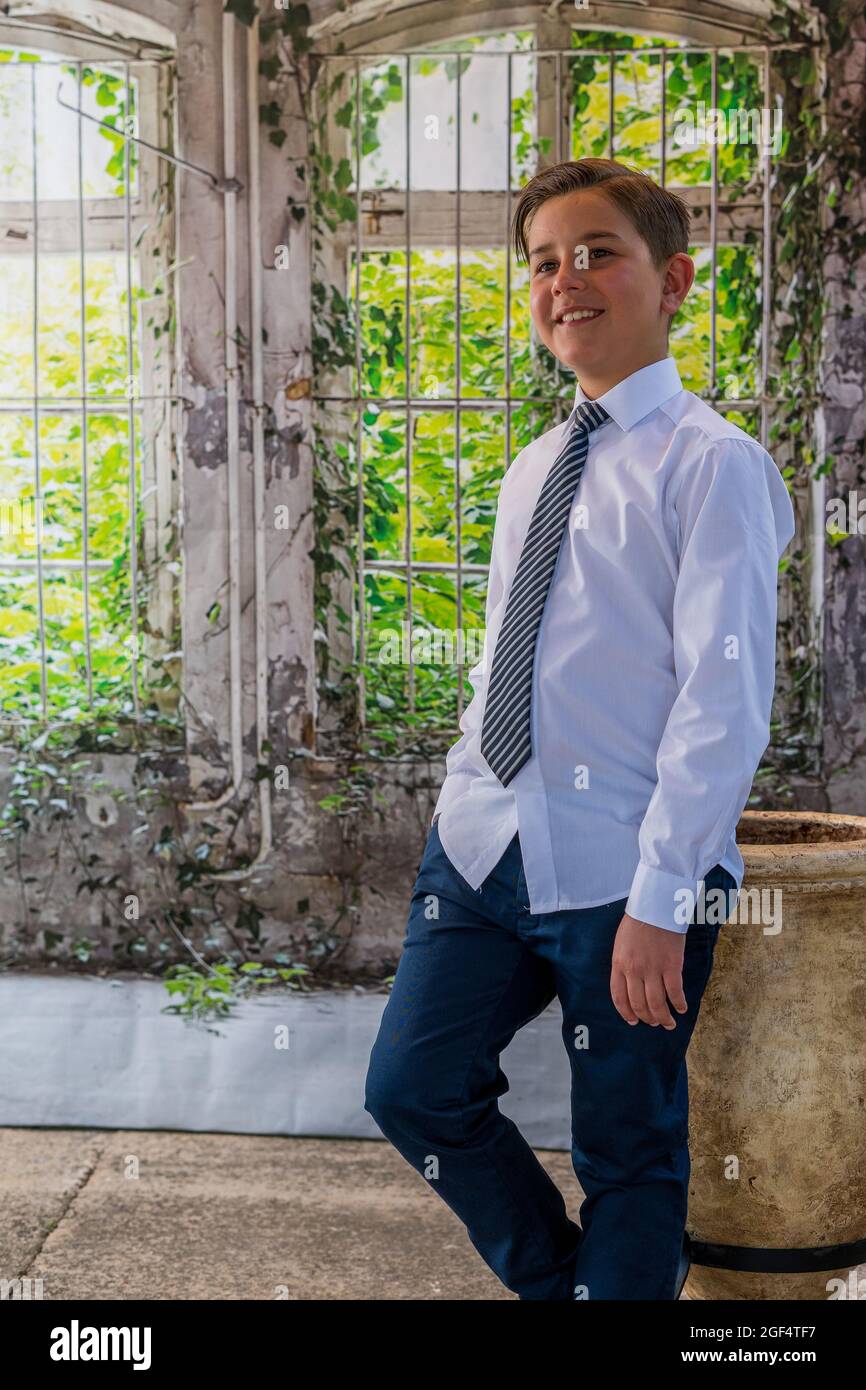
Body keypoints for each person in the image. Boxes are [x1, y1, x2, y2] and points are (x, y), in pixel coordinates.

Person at [364, 157, 796, 1300]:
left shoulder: (714, 467)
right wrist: (466, 780)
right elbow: (515, 656)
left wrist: (663, 896)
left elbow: (721, 698)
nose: (566, 281)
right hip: (483, 843)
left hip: (625, 869)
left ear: (673, 281)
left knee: (626, 1155)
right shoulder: (531, 469)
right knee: (412, 1088)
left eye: (598, 252)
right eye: (543, 262)